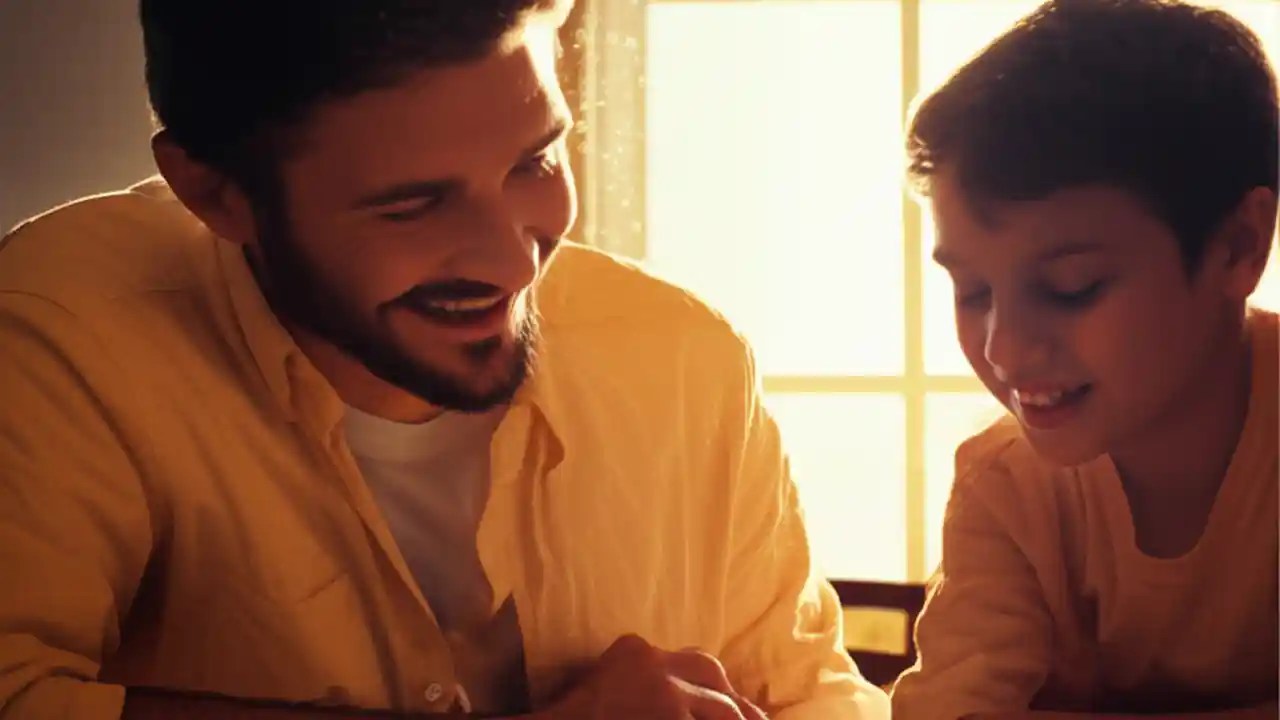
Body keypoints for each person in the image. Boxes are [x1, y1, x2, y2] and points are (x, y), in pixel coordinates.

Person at [0, 2, 889, 718]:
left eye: (535, 161)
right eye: (413, 206)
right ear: (214, 193)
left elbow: (806, 694)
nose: (514, 264)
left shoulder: (689, 360)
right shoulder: (64, 328)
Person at [890, 1, 1278, 718]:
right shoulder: (1005, 489)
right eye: (973, 291)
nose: (1004, 348)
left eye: (1072, 287)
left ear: (1238, 246)